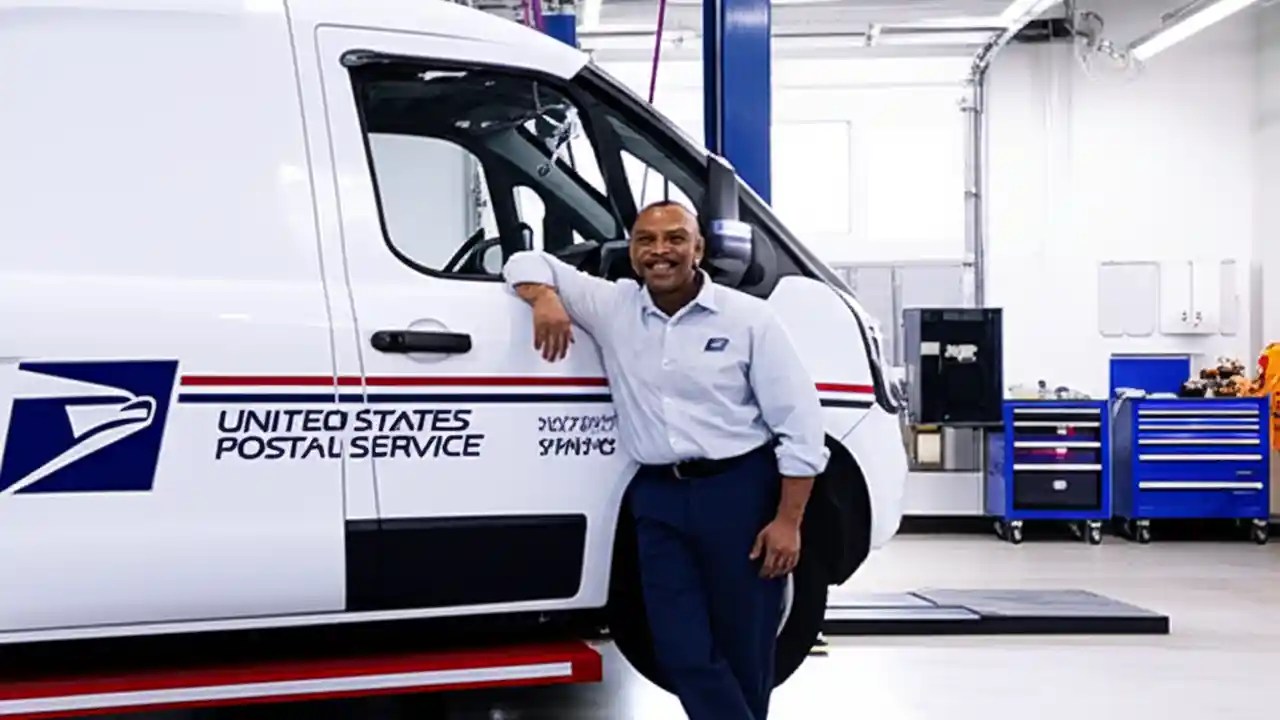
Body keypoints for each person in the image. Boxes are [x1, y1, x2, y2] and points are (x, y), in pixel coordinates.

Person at [502, 200, 829, 720]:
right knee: (678, 647)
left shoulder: (748, 319)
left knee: (746, 646)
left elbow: (801, 426)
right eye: (645, 241)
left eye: (675, 239)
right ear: (632, 253)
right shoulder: (613, 306)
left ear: (698, 248)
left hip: (739, 491)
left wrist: (788, 521)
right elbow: (526, 261)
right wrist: (544, 298)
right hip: (657, 497)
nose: (660, 252)